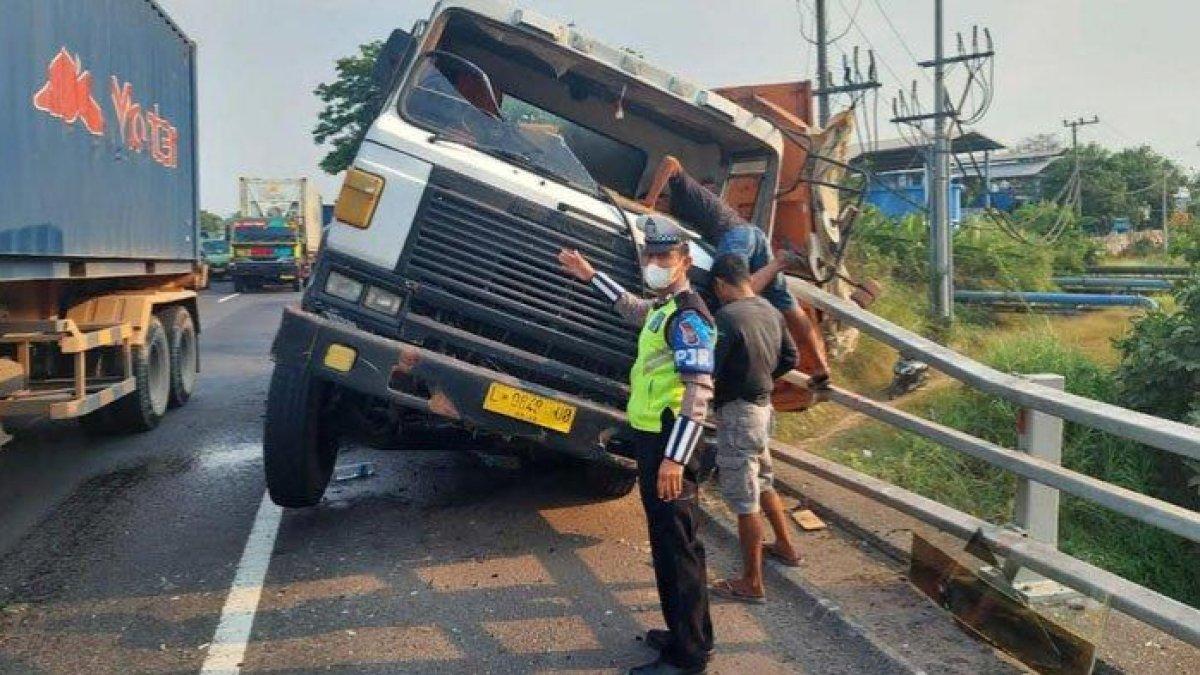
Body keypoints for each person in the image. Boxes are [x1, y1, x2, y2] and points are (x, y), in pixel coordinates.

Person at [558, 214, 715, 675]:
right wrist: (591, 275)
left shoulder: (688, 317)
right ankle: (687, 635)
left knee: (678, 549)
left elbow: (698, 391)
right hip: (654, 440)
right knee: (669, 543)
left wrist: (674, 459)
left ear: (685, 262)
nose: (655, 263)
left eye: (664, 256)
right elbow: (631, 308)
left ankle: (688, 657)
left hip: (671, 444)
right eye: (650, 255)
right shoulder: (665, 309)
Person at [642, 156, 830, 387]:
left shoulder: (683, 192)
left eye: (659, 201)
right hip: (752, 235)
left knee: (734, 290)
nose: (659, 210)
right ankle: (821, 366)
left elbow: (670, 162)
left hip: (735, 235)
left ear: (663, 196)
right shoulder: (679, 219)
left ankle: (780, 262)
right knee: (786, 303)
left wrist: (649, 201)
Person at [707, 254, 804, 603]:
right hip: (763, 409)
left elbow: (710, 369)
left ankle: (752, 582)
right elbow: (791, 358)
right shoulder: (770, 311)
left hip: (738, 413)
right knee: (764, 480)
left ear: (720, 284)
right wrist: (762, 377)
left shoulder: (726, 318)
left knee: (744, 498)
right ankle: (786, 547)